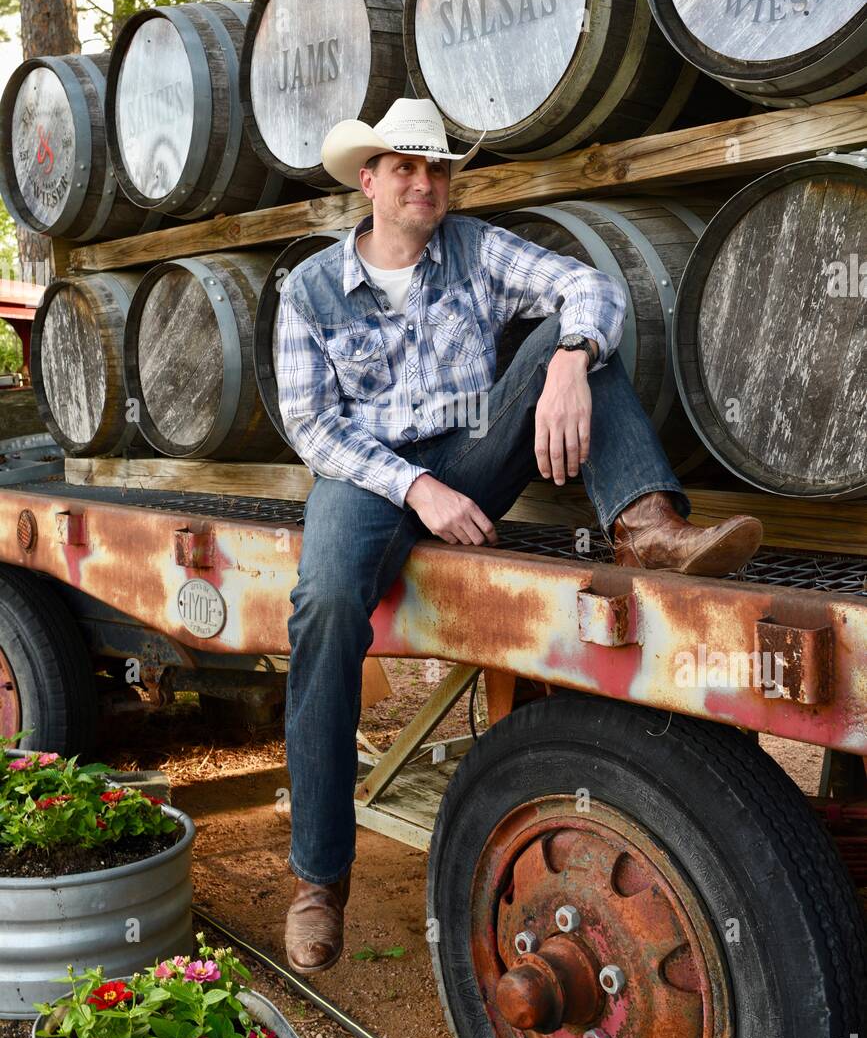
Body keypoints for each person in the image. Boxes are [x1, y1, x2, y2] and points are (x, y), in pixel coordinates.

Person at [275, 97, 762, 976]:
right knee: (323, 610)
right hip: (370, 474)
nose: (426, 183)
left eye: (438, 169)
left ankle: (647, 526)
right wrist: (417, 490)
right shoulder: (310, 288)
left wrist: (570, 360)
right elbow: (313, 429)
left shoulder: (473, 248)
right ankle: (319, 880)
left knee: (572, 344)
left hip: (473, 444)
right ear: (369, 180)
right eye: (407, 168)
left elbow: (591, 287)